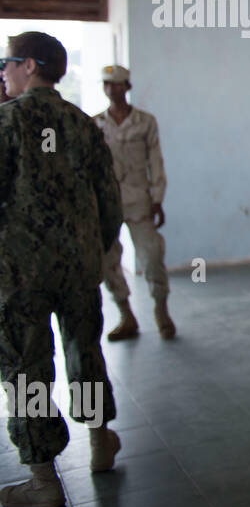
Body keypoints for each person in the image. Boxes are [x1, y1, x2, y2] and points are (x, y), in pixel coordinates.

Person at [0, 32, 123, 507]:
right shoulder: (82, 123)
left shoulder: (7, 122)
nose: (3, 73)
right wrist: (95, 247)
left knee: (26, 370)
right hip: (78, 269)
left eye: (7, 63)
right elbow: (109, 202)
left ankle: (42, 479)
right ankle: (99, 442)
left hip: (19, 275)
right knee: (83, 350)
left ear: (29, 65)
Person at [96, 64, 175, 341]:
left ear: (127, 87)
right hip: (107, 203)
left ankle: (161, 311)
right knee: (108, 262)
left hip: (140, 199)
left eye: (117, 84)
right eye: (107, 84)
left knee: (152, 257)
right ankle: (125, 314)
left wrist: (157, 199)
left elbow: (156, 161)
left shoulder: (145, 122)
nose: (112, 89)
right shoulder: (95, 124)